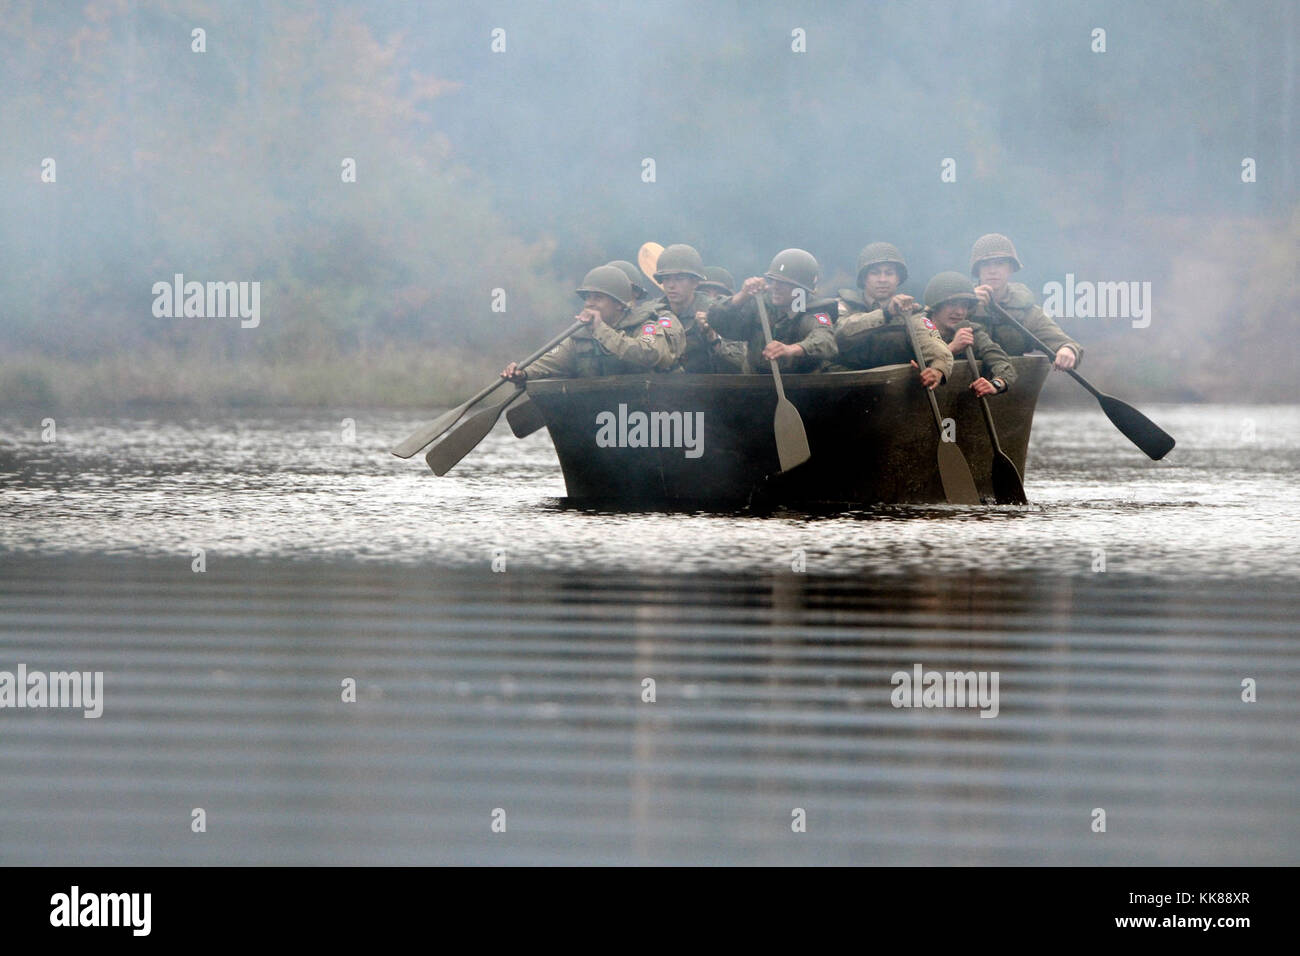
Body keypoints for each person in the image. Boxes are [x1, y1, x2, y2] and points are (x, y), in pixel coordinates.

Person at [501, 265, 682, 382]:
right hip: (603, 415)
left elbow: (648, 354)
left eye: (598, 298)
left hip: (652, 412)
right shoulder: (581, 336)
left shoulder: (647, 326)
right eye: (588, 298)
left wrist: (600, 329)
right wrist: (523, 372)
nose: (590, 304)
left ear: (619, 304)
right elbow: (551, 361)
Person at [833, 242, 952, 388]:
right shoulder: (843, 304)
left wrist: (938, 369)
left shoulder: (909, 312)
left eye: (889, 273)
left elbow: (934, 343)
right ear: (864, 278)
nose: (882, 279)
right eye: (875, 273)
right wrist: (885, 314)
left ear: (898, 279)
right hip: (844, 388)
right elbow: (840, 333)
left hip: (893, 391)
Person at [704, 249, 838, 374]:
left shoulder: (814, 311)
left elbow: (825, 341)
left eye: (783, 283)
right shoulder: (759, 304)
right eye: (773, 280)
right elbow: (716, 320)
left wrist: (792, 349)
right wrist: (742, 296)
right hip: (754, 383)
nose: (775, 287)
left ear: (801, 289)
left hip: (801, 386)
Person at [969, 233, 1083, 370]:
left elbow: (1063, 342)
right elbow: (934, 330)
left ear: (1010, 268)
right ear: (978, 270)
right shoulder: (959, 302)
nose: (992, 271)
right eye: (986, 264)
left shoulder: (1025, 310)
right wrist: (967, 307)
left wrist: (1067, 350)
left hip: (1012, 385)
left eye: (999, 264)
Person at [923, 272, 1016, 397]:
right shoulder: (916, 329)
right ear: (936, 305)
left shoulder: (970, 332)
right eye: (952, 304)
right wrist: (951, 348)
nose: (960, 312)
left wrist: (996, 384)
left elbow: (1003, 364)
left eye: (964, 305)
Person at [641, 244, 728, 372]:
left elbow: (738, 362)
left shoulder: (716, 311)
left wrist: (713, 338)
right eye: (666, 278)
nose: (671, 285)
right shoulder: (650, 313)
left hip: (709, 386)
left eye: (679, 279)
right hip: (661, 387)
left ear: (695, 282)